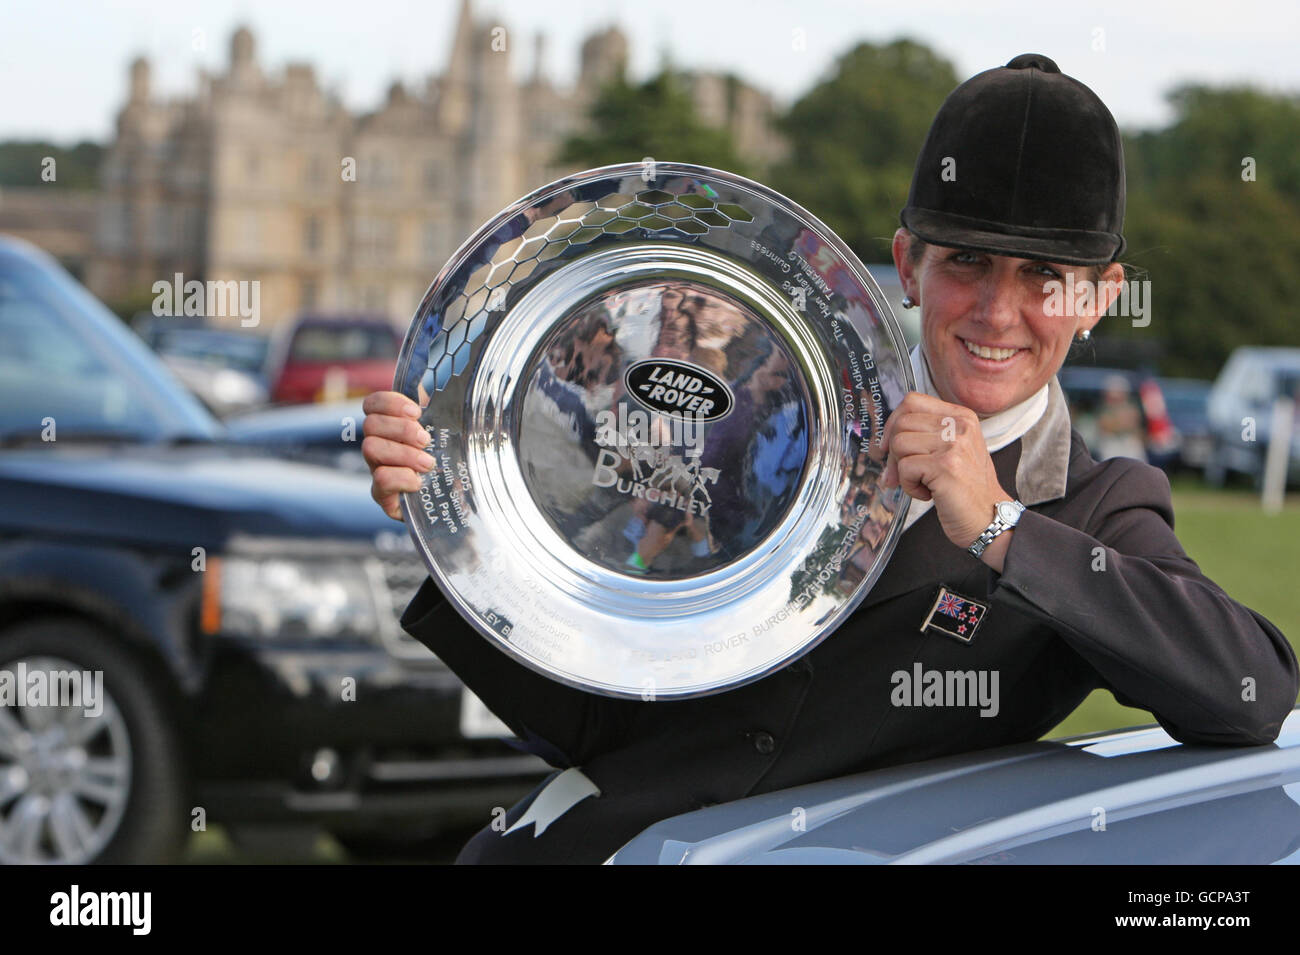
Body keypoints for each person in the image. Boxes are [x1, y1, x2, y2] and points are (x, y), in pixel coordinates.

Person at [361, 53, 1299, 863]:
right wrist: (452, 525)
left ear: (1100, 299)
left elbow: (1251, 689)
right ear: (908, 261)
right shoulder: (769, 418)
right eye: (967, 262)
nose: (998, 313)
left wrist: (1004, 528)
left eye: (1045, 279)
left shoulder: (1095, 507)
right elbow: (595, 719)